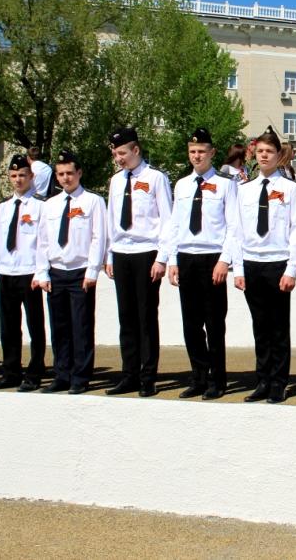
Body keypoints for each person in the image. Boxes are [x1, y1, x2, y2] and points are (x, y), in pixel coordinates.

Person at [162, 128, 239, 401]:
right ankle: (198, 377)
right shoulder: (181, 184)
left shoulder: (226, 184)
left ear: (212, 153)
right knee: (191, 324)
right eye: (192, 152)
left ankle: (218, 380)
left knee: (214, 323)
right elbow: (174, 225)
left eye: (202, 152)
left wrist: (224, 260)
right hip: (187, 258)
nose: (197, 156)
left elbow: (233, 226)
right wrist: (172, 260)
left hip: (212, 259)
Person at [233, 126, 296, 404]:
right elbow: (237, 230)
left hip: (277, 264)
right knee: (259, 327)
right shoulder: (245, 190)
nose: (264, 156)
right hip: (252, 263)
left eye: (270, 152)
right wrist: (238, 269)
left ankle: (278, 382)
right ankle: (262, 380)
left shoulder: (290, 188)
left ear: (279, 155)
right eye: (260, 151)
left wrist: (291, 268)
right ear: (254, 153)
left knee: (278, 327)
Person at [104, 127, 173, 398]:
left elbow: (167, 220)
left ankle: (147, 376)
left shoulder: (156, 178)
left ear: (136, 150)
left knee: (146, 317)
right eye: (115, 154)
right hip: (121, 252)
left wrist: (162, 258)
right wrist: (109, 255)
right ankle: (128, 374)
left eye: (122, 153)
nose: (118, 158)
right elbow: (112, 219)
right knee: (126, 318)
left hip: (147, 252)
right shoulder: (116, 181)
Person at [33, 150, 107, 394]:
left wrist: (92, 270)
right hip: (56, 271)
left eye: (70, 173)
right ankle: (61, 374)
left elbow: (98, 237)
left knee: (81, 326)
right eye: (61, 174)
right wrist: (42, 272)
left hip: (80, 271)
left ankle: (80, 377)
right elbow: (42, 241)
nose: (66, 178)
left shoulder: (92, 201)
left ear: (79, 173)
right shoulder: (50, 205)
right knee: (59, 326)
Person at [0, 155, 46, 392]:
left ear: (31, 177)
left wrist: (41, 272)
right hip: (7, 271)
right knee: (8, 326)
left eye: (22, 175)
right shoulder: (2, 208)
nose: (18, 180)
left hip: (30, 272)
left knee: (35, 325)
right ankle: (10, 371)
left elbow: (43, 242)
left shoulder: (41, 206)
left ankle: (36, 370)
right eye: (14, 176)